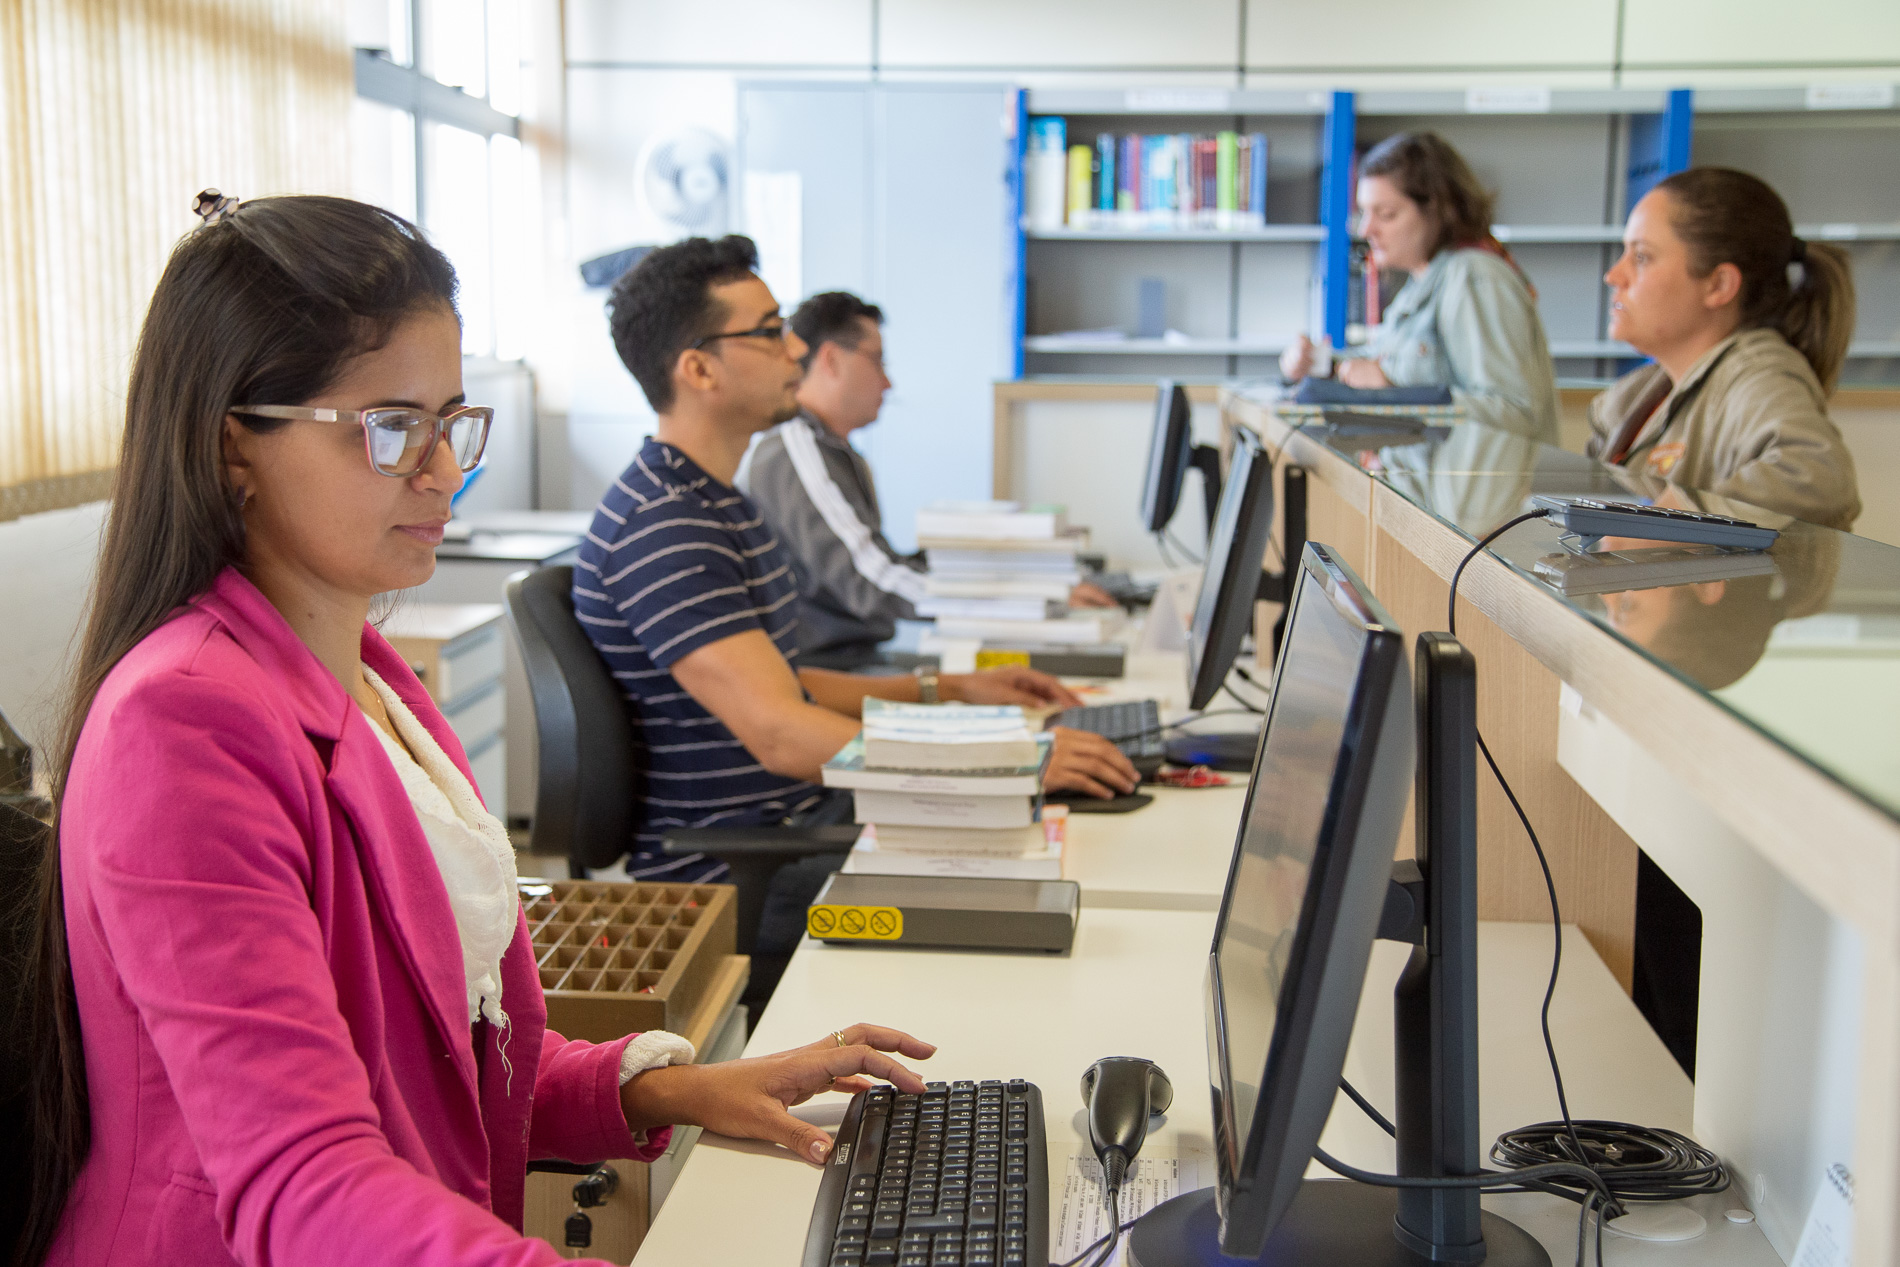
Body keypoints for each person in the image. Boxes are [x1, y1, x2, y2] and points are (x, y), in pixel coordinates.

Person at [10, 195, 935, 1267]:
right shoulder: (182, 724)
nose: (446, 472)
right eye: (394, 428)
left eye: (454, 422)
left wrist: (680, 1086)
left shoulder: (371, 679)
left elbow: (435, 1068)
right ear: (234, 445)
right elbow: (302, 1181)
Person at [577, 238, 1138, 883]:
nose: (795, 350)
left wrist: (951, 692)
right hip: (754, 873)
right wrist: (1003, 758)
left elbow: (789, 683)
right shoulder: (665, 526)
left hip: (809, 824)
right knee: (1067, 869)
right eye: (769, 333)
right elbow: (780, 731)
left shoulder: (714, 502)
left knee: (1066, 837)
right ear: (700, 371)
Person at [744, 290, 1112, 661]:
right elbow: (874, 580)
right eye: (878, 361)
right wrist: (1025, 600)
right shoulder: (796, 451)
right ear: (831, 360)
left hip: (859, 655)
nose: (888, 383)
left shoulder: (834, 450)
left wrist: (1029, 584)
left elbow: (885, 564)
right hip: (831, 668)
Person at [1586, 167, 1862, 531]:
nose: (1613, 276)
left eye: (1641, 257)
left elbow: (1819, 479)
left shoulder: (1759, 374)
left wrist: (1679, 517)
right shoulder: (1632, 397)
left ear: (1718, 285)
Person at [1281, 131, 1562, 443]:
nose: (1366, 229)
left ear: (1437, 209)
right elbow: (1384, 363)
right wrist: (1323, 365)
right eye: (1364, 212)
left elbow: (1515, 415)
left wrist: (1392, 396)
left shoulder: (1475, 277)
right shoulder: (1421, 283)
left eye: (1386, 214)